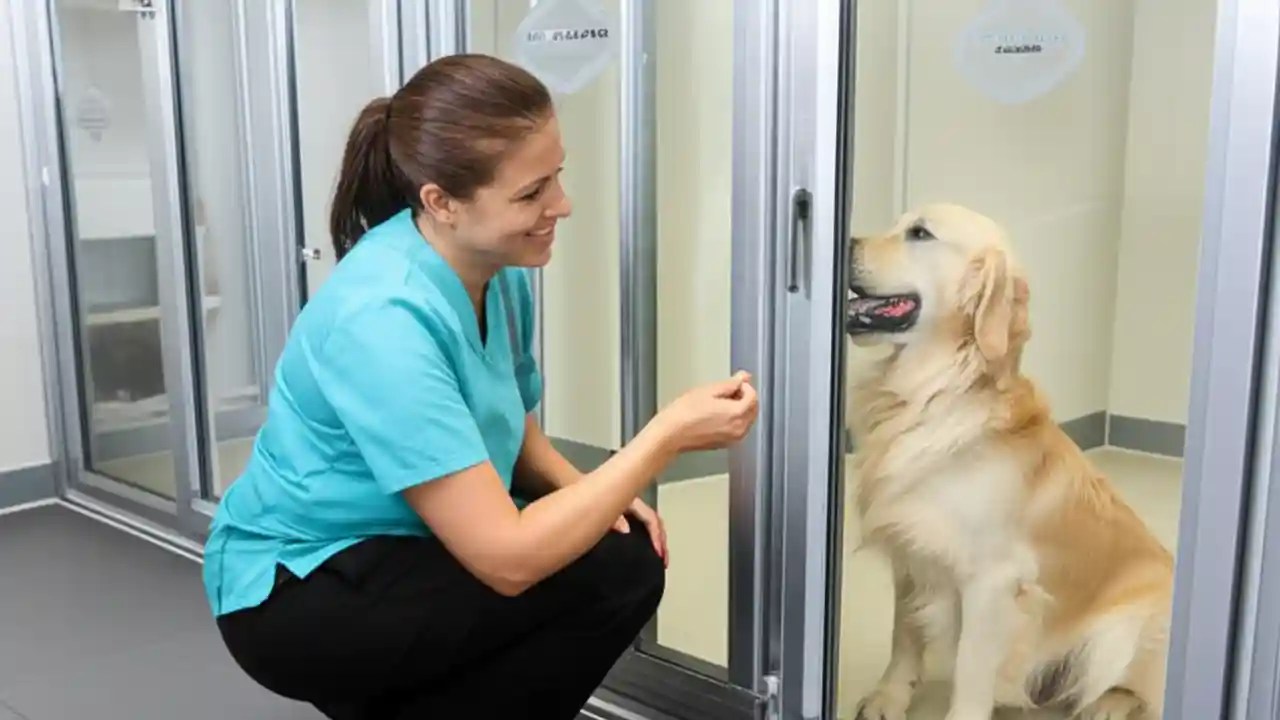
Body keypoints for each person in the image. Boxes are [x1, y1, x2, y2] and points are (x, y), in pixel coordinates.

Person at [203, 53, 759, 720]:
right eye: (531, 194)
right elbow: (507, 560)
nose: (563, 205)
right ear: (441, 202)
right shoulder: (382, 320)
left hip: (409, 541)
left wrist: (588, 491)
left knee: (620, 556)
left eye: (556, 177)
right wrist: (660, 440)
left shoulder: (496, 268)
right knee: (586, 570)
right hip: (303, 587)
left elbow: (515, 426)